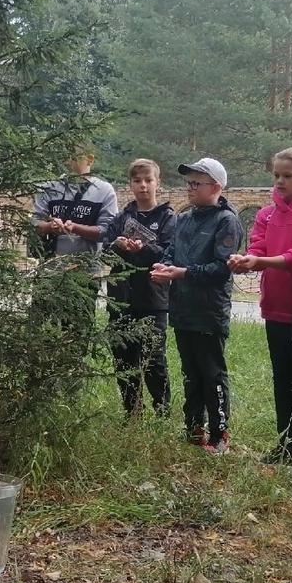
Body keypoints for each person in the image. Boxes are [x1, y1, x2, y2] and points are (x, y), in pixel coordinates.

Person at [229, 148, 292, 461]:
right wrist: (247, 259)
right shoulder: (266, 213)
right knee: (281, 376)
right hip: (273, 304)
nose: (281, 181)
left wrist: (260, 261)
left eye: (288, 176)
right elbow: (257, 244)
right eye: (277, 176)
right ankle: (285, 441)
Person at [151, 157, 243, 451]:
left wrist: (184, 273)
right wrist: (163, 267)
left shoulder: (227, 220)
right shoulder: (184, 218)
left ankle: (220, 435)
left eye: (195, 183)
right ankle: (193, 431)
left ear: (215, 186)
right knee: (190, 372)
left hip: (209, 310)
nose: (189, 188)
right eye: (188, 182)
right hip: (182, 308)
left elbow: (221, 268)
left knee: (212, 372)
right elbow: (171, 252)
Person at [101, 158, 176, 415]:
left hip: (153, 299)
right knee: (123, 358)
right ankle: (131, 411)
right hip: (120, 298)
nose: (143, 186)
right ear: (130, 184)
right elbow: (104, 252)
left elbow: (169, 254)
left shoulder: (168, 218)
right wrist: (118, 246)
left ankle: (162, 411)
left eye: (148, 180)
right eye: (137, 181)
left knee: (154, 359)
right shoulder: (121, 218)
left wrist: (144, 249)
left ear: (158, 183)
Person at [31, 144, 120, 331]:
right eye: (67, 155)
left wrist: (76, 228)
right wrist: (50, 227)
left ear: (90, 158)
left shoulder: (104, 190)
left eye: (75, 156)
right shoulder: (50, 188)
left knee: (77, 332)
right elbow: (34, 224)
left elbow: (108, 231)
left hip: (85, 274)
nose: (69, 160)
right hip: (49, 272)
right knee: (41, 332)